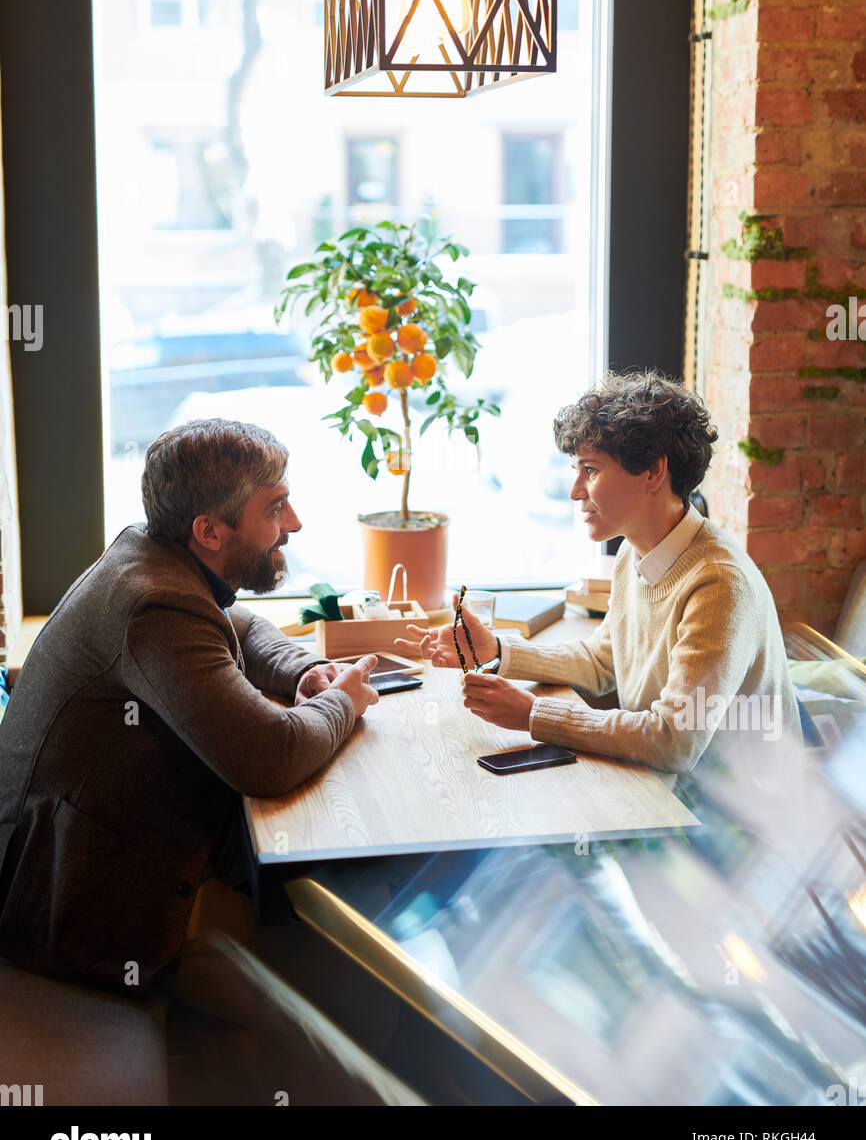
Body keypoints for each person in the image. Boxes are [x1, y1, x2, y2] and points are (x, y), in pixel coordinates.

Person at [0, 418, 379, 997]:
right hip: (85, 906)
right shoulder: (155, 603)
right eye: (275, 507)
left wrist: (305, 671)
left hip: (127, 847)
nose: (295, 523)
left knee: (343, 883)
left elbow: (242, 625)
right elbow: (270, 756)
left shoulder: (153, 551)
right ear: (209, 530)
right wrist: (343, 701)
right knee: (359, 999)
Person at [397, 371, 804, 823]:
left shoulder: (719, 584)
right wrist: (497, 651)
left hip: (735, 826)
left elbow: (673, 740)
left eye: (589, 470)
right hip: (664, 797)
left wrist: (533, 713)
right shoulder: (636, 550)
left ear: (653, 471)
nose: (575, 491)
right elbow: (603, 661)